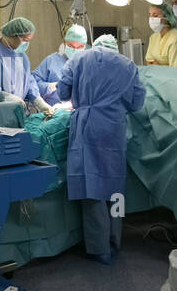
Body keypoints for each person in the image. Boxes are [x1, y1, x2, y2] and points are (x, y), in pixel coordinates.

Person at [57, 34, 146, 265]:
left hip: (88, 126)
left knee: (92, 187)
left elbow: (63, 93)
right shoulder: (128, 64)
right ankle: (115, 240)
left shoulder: (78, 59)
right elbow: (137, 103)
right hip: (114, 128)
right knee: (115, 186)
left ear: (93, 45)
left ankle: (99, 249)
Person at [0, 16, 53, 116]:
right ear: (13, 36)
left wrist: (39, 102)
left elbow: (28, 80)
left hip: (15, 112)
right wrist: (7, 97)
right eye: (25, 40)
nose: (26, 44)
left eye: (29, 40)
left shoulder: (21, 54)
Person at [32, 25, 88, 104]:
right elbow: (32, 83)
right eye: (71, 46)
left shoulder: (90, 63)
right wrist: (50, 87)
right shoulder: (51, 61)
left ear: (85, 46)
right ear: (64, 43)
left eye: (80, 47)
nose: (75, 49)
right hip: (54, 112)